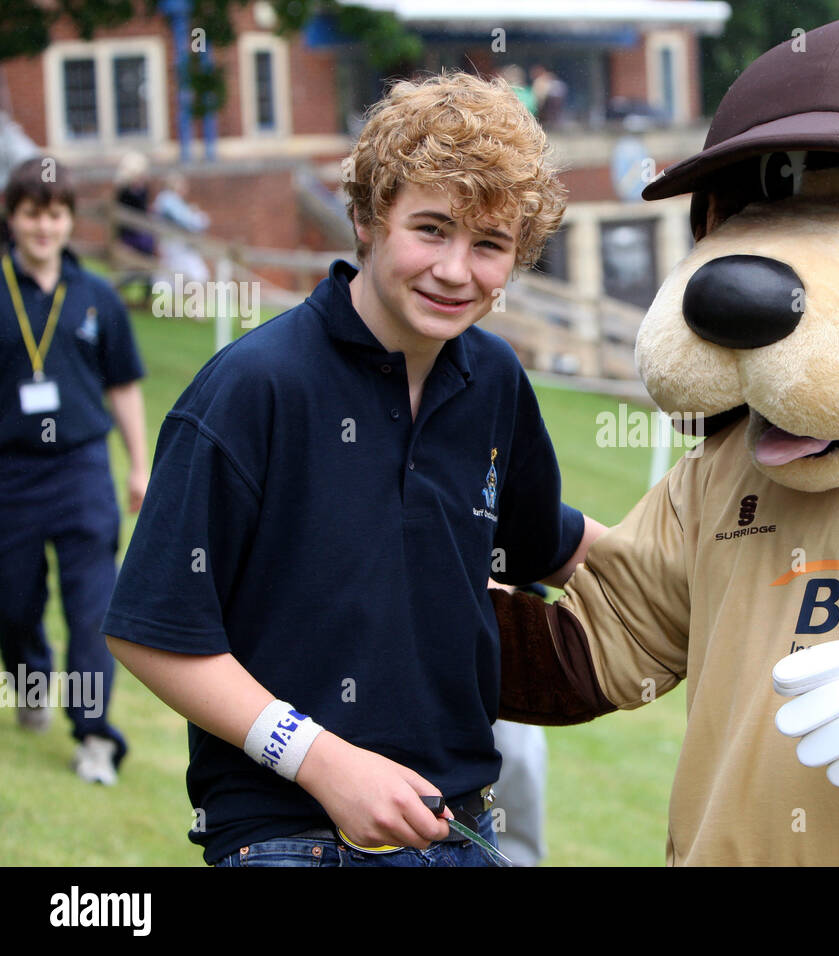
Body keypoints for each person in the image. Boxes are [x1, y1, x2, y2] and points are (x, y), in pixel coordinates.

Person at [103, 72, 603, 867]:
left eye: (489, 245)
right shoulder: (253, 386)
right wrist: (322, 762)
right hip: (289, 836)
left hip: (462, 826)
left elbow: (555, 542)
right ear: (369, 219)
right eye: (431, 229)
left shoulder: (495, 380)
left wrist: (726, 573)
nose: (455, 270)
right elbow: (152, 630)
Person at [0, 156, 148, 784]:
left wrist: (139, 465)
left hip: (83, 469)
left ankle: (94, 736)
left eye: (56, 214)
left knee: (92, 608)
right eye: (33, 214)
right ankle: (29, 675)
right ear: (13, 218)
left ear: (69, 221)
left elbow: (124, 386)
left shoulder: (97, 297)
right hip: (10, 475)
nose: (45, 227)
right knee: (12, 603)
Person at [151, 172, 210, 285]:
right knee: (197, 275)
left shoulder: (168, 200)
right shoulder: (167, 199)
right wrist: (198, 216)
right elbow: (190, 221)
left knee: (170, 275)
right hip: (174, 244)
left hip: (173, 244)